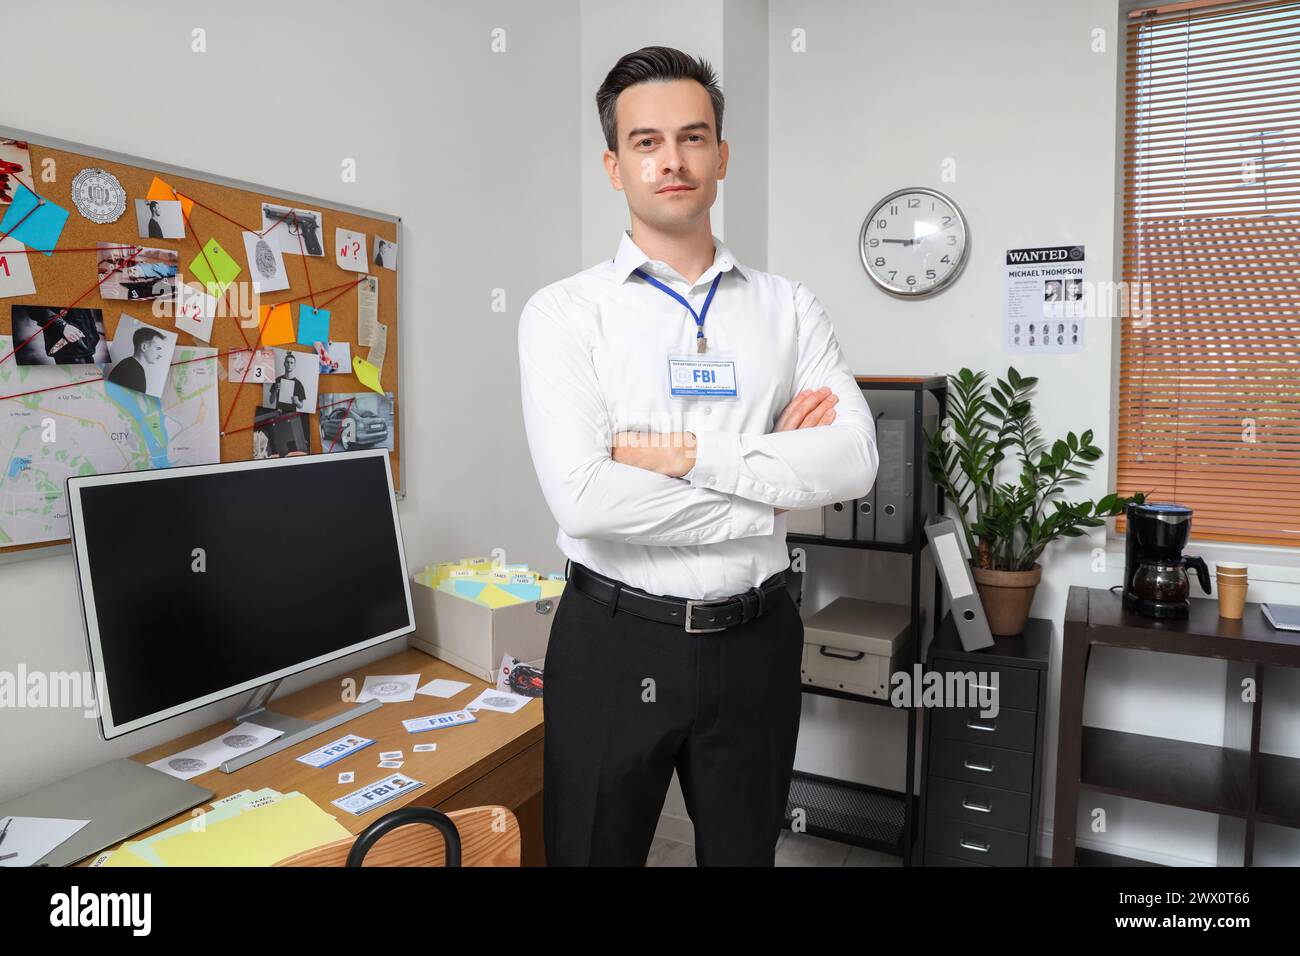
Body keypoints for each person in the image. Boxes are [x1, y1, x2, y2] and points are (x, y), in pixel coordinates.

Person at [518, 46, 878, 867]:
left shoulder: (789, 308)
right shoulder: (564, 314)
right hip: (613, 640)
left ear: (723, 155)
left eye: (692, 137)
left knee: (745, 857)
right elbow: (585, 501)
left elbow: (854, 461)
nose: (672, 160)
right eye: (646, 142)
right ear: (615, 165)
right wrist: (773, 483)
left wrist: (688, 455)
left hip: (758, 639)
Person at [106, 326, 166, 393]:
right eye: (158, 348)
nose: (161, 355)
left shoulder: (127, 365)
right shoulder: (135, 372)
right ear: (144, 347)